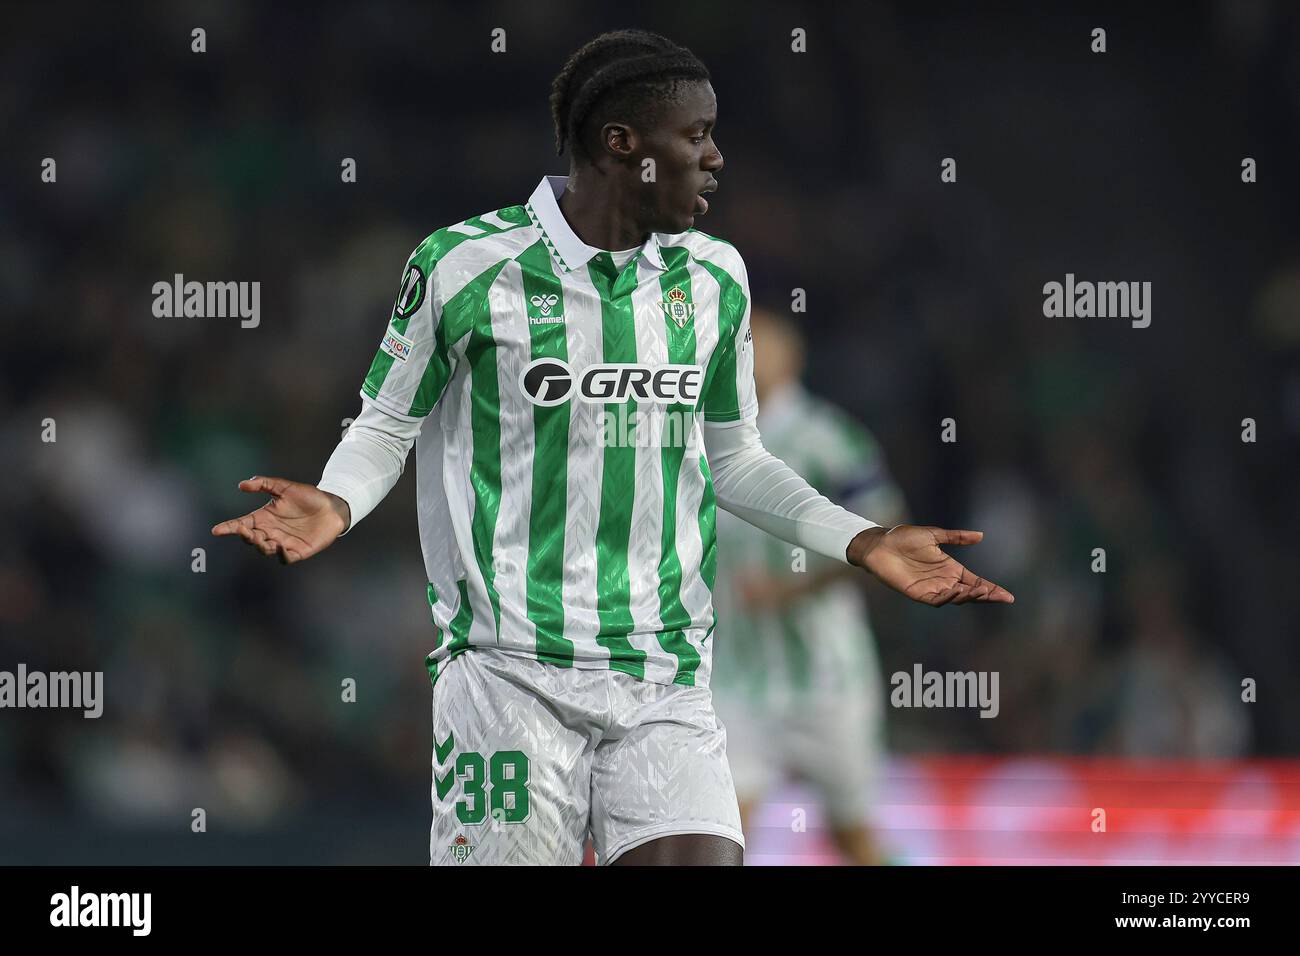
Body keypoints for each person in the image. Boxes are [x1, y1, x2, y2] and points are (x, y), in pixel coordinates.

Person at [211, 29, 1012, 866]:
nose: (716, 158)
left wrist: (860, 538)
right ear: (621, 144)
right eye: (695, 136)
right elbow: (386, 423)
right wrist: (337, 499)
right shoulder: (464, 267)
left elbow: (736, 460)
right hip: (508, 671)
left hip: (664, 670)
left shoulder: (714, 279)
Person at [711, 307, 906, 865]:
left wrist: (787, 591)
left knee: (853, 840)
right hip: (740, 680)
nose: (743, 354)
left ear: (789, 358)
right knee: (721, 831)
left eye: (756, 344)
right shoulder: (707, 436)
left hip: (828, 678)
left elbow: (885, 538)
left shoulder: (827, 437)